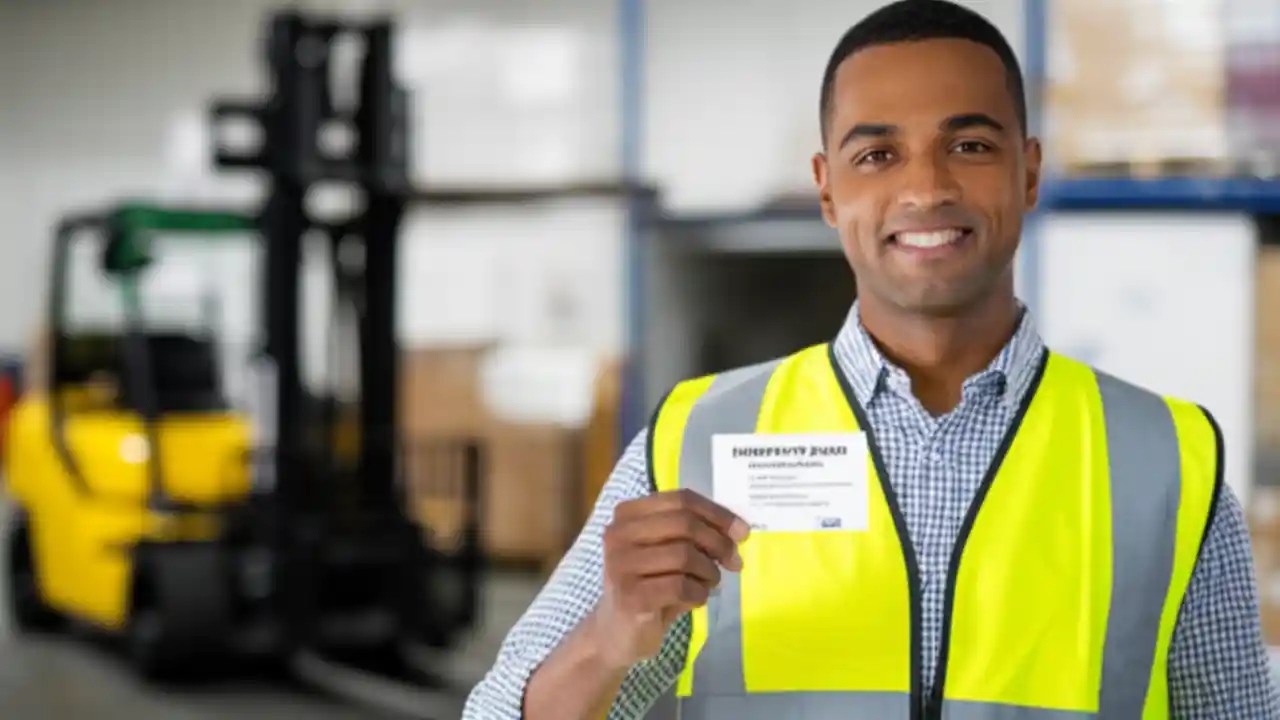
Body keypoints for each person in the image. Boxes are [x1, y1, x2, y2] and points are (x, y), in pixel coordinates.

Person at [462, 1, 1280, 718]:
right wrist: (610, 639)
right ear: (827, 189)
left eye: (968, 145)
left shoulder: (1169, 458)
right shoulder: (696, 442)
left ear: (1028, 172)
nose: (925, 189)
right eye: (877, 155)